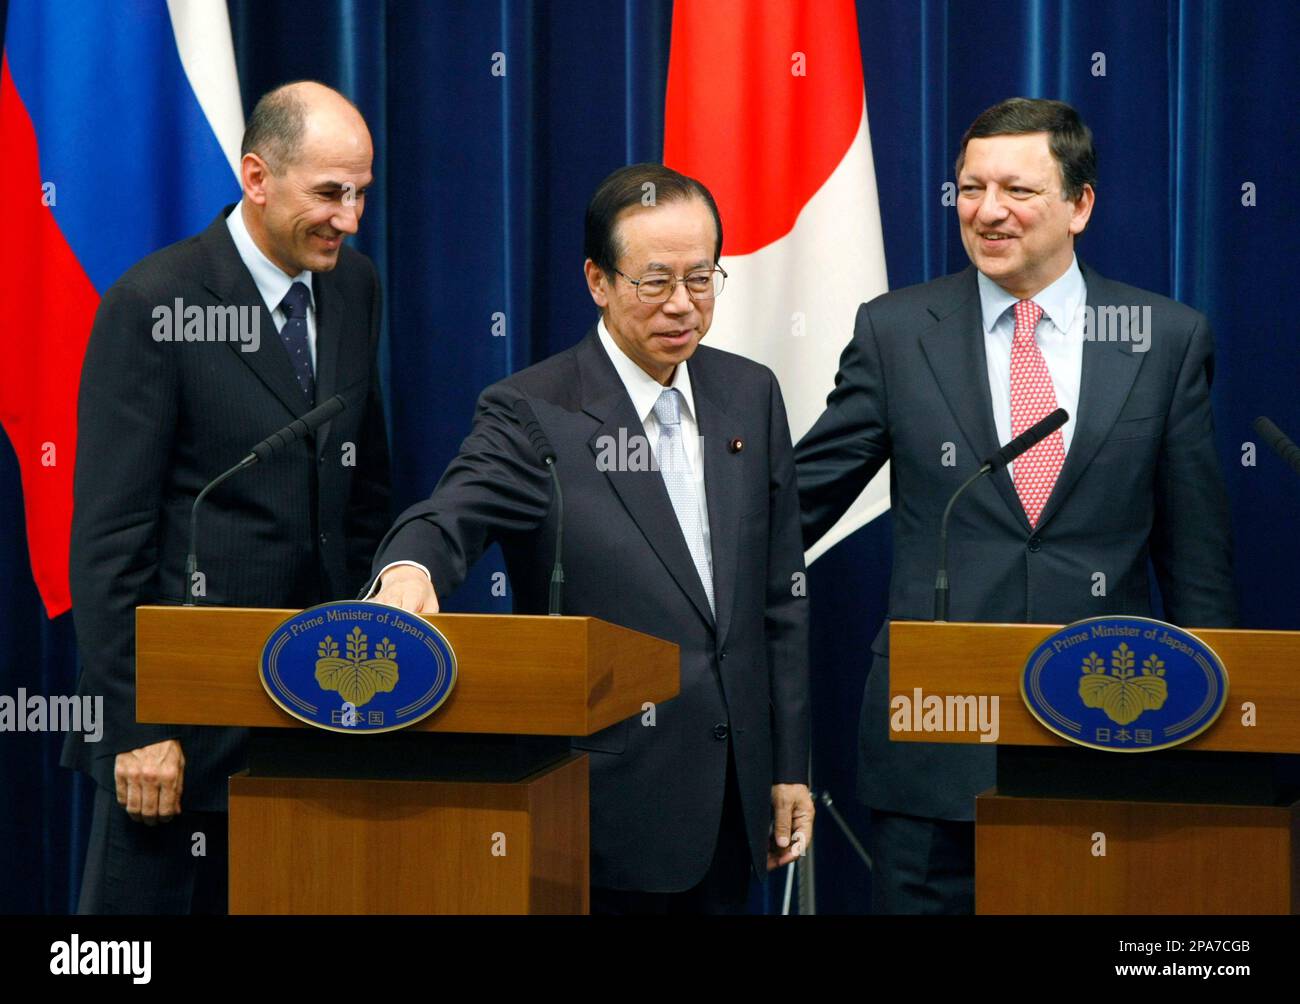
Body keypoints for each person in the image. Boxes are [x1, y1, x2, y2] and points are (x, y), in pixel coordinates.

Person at [794, 97, 1237, 914]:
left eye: (1016, 190)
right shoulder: (897, 332)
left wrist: (1206, 746)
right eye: (969, 188)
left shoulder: (1164, 338)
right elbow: (799, 506)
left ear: (1080, 204)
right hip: (934, 742)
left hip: (1109, 731)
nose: (987, 211)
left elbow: (1197, 558)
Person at [370, 163, 813, 913]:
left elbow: (780, 599)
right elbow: (455, 510)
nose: (683, 306)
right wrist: (411, 568)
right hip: (606, 806)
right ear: (597, 281)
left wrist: (786, 765)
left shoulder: (750, 394)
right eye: (655, 281)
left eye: (702, 278)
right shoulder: (534, 411)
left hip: (733, 797)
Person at [63, 81, 392, 914]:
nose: (349, 218)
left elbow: (364, 491)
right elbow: (111, 540)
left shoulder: (356, 289)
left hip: (317, 716)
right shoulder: (154, 303)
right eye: (328, 193)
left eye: (360, 194)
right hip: (181, 736)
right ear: (256, 176)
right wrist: (133, 728)